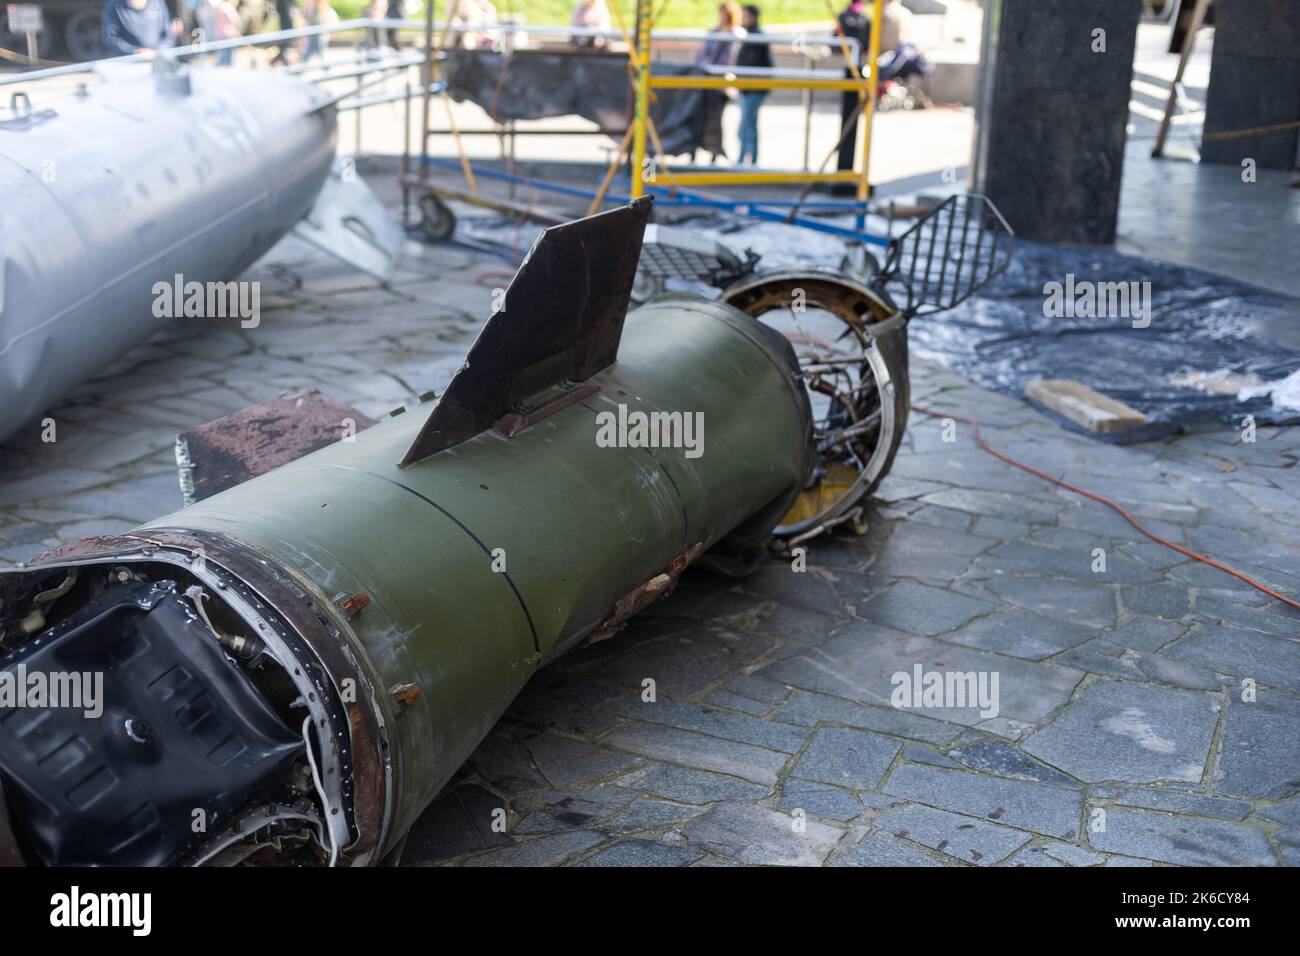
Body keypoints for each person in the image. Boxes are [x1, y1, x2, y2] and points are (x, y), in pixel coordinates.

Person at [833, 0, 871, 188]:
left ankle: (845, 174)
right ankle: (846, 173)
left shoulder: (847, 16)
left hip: (853, 71)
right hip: (857, 70)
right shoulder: (865, 17)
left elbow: (835, 39)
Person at [734, 5, 771, 164]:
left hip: (753, 87)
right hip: (749, 87)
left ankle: (744, 159)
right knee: (750, 124)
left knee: (746, 125)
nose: (742, 19)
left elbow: (751, 63)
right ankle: (750, 159)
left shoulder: (756, 37)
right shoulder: (750, 36)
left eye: (745, 16)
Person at [102, 0, 184, 56]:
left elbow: (168, 34)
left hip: (158, 60)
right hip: (128, 63)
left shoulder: (157, 3)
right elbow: (111, 37)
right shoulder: (115, 5)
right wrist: (133, 51)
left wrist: (157, 52)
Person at [197, 0, 241, 65]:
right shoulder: (228, 7)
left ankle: (221, 66)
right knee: (230, 54)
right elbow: (235, 19)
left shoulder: (218, 8)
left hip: (220, 34)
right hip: (228, 34)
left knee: (222, 53)